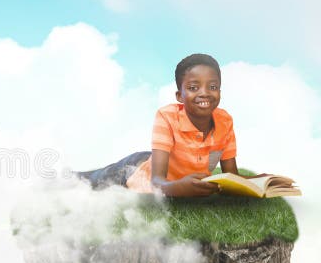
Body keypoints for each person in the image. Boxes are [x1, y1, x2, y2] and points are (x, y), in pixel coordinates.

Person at [75, 53, 263, 197]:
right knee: (87, 181)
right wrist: (178, 187)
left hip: (162, 158)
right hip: (134, 171)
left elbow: (232, 176)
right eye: (193, 88)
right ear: (180, 96)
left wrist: (259, 184)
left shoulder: (225, 121)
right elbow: (157, 182)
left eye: (212, 87)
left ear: (220, 91)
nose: (204, 93)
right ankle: (62, 177)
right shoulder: (167, 116)